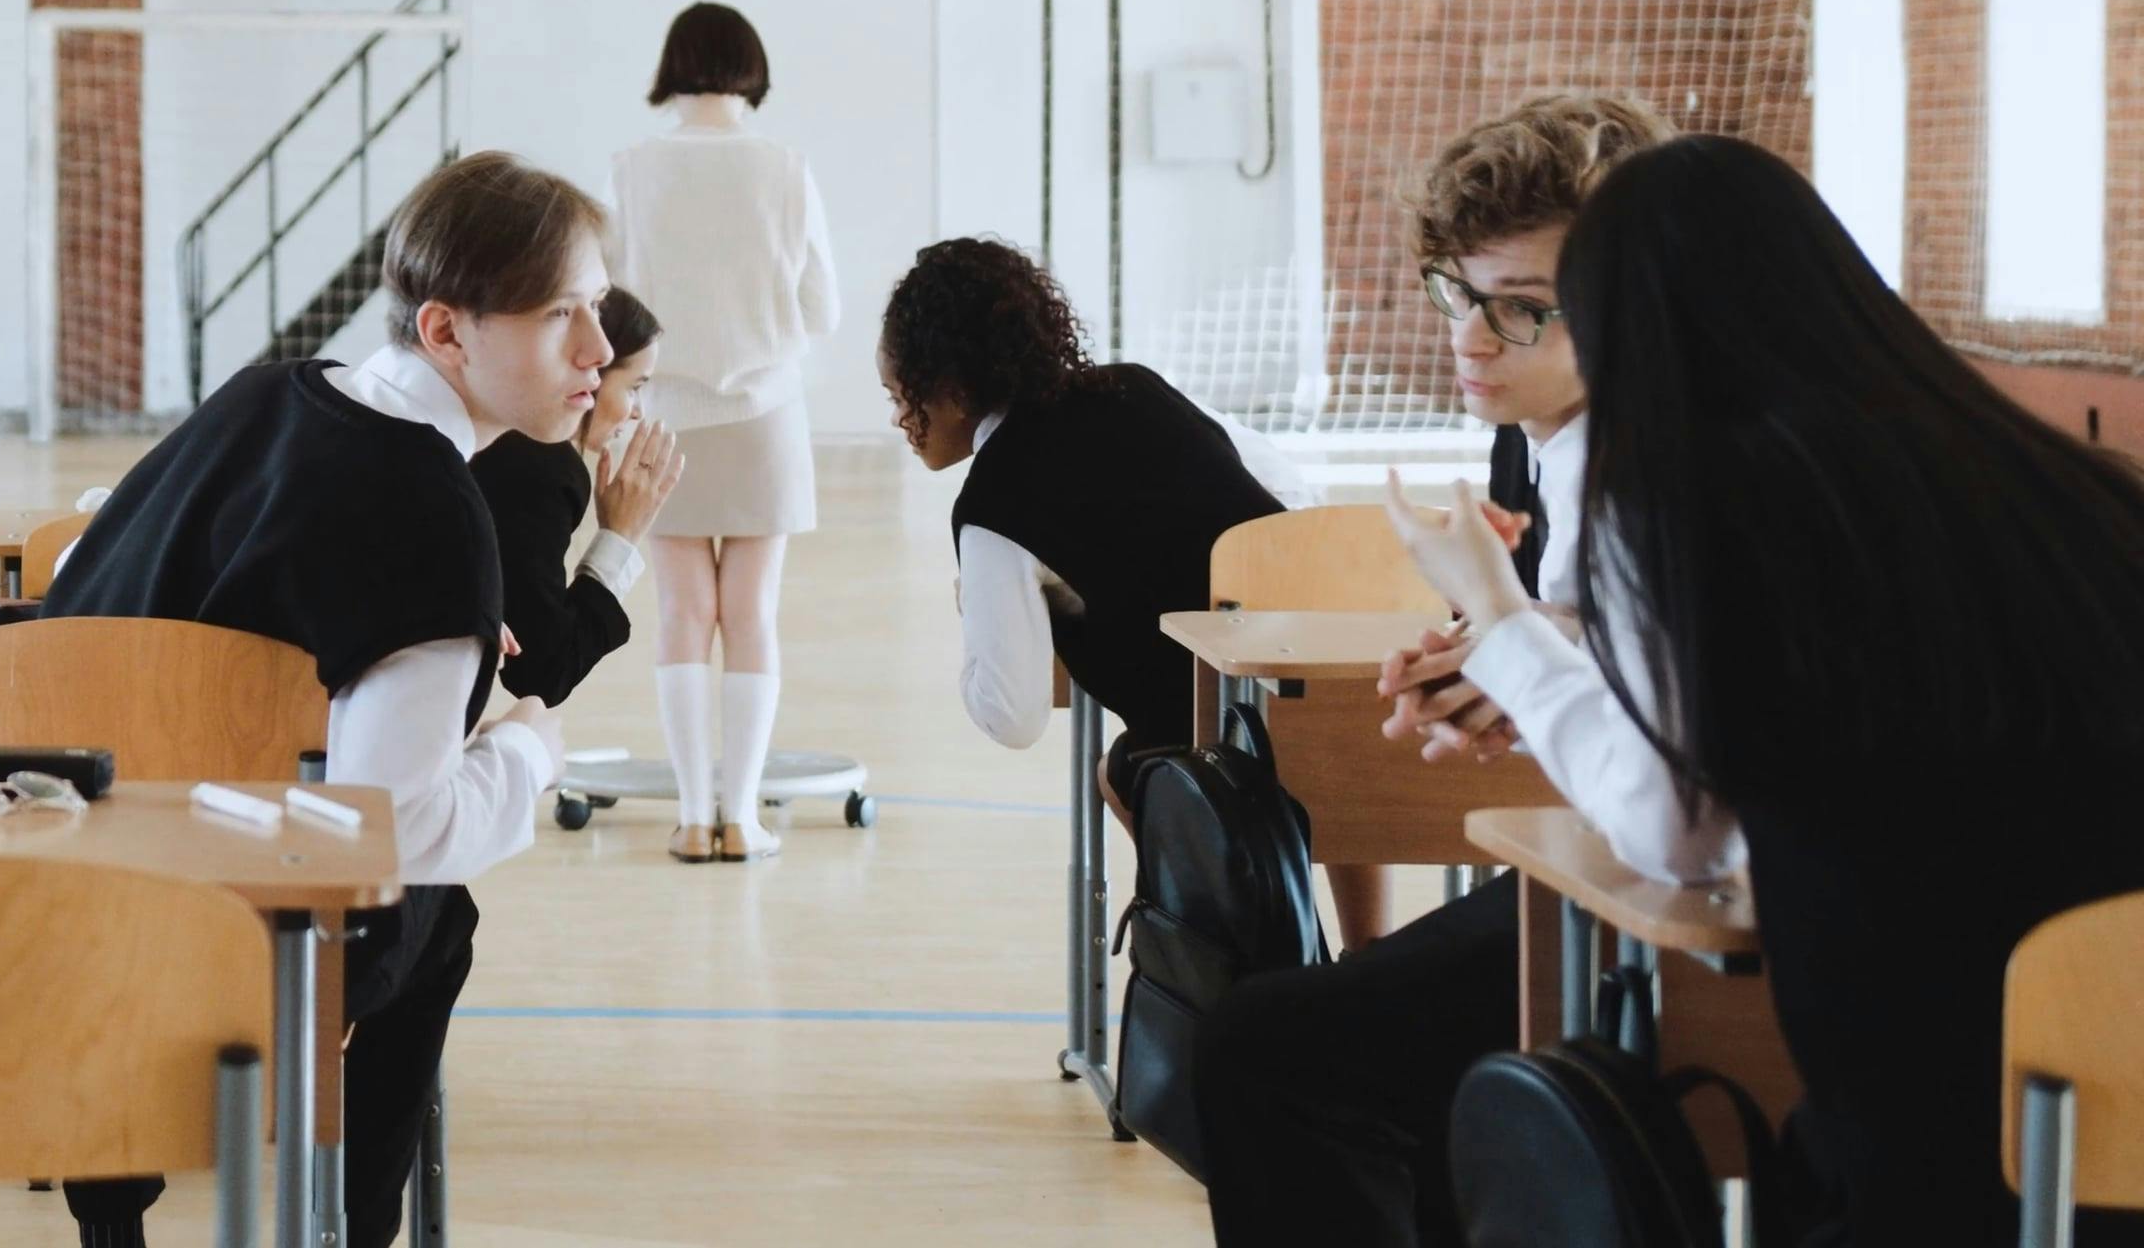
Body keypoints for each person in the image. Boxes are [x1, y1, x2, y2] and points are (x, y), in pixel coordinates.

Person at [1384, 135, 2144, 1247]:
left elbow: (1671, 827)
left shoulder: (1700, 510)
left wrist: (1497, 619)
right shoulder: (2053, 481)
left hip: (1929, 1128)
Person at [42, 151, 601, 1248]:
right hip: (239, 936)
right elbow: (392, 835)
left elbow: (88, 604)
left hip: (59, 897)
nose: (600, 350)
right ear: (447, 333)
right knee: (438, 914)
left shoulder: (269, 394)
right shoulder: (437, 516)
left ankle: (114, 1207)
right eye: (561, 316)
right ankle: (355, 1231)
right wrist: (532, 748)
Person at [1193, 91, 1675, 1248]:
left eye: (1521, 311)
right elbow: (1637, 653)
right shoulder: (1564, 439)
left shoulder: (1643, 464)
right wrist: (1519, 653)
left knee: (1267, 1052)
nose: (1470, 337)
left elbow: (1676, 803)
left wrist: (1516, 637)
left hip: (1703, 906)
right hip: (1652, 871)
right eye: (1461, 294)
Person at [878, 237, 1290, 809]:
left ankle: (1217, 903)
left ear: (953, 391)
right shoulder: (1137, 385)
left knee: (1121, 774)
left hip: (1222, 757)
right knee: (1318, 752)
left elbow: (1012, 718)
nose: (899, 420)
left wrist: (978, 608)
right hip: (1339, 700)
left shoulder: (992, 508)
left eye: (901, 397)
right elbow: (1281, 485)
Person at [610, 2, 840, 862]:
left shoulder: (633, 168)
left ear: (674, 65)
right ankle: (741, 816)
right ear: (751, 66)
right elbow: (824, 306)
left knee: (681, 611)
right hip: (764, 413)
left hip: (660, 414)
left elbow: (613, 304)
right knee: (751, 612)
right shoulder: (786, 168)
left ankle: (691, 816)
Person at [474, 286, 684, 706]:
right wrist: (619, 539)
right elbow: (542, 672)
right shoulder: (541, 467)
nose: (637, 410)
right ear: (589, 371)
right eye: (634, 387)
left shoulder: (507, 436)